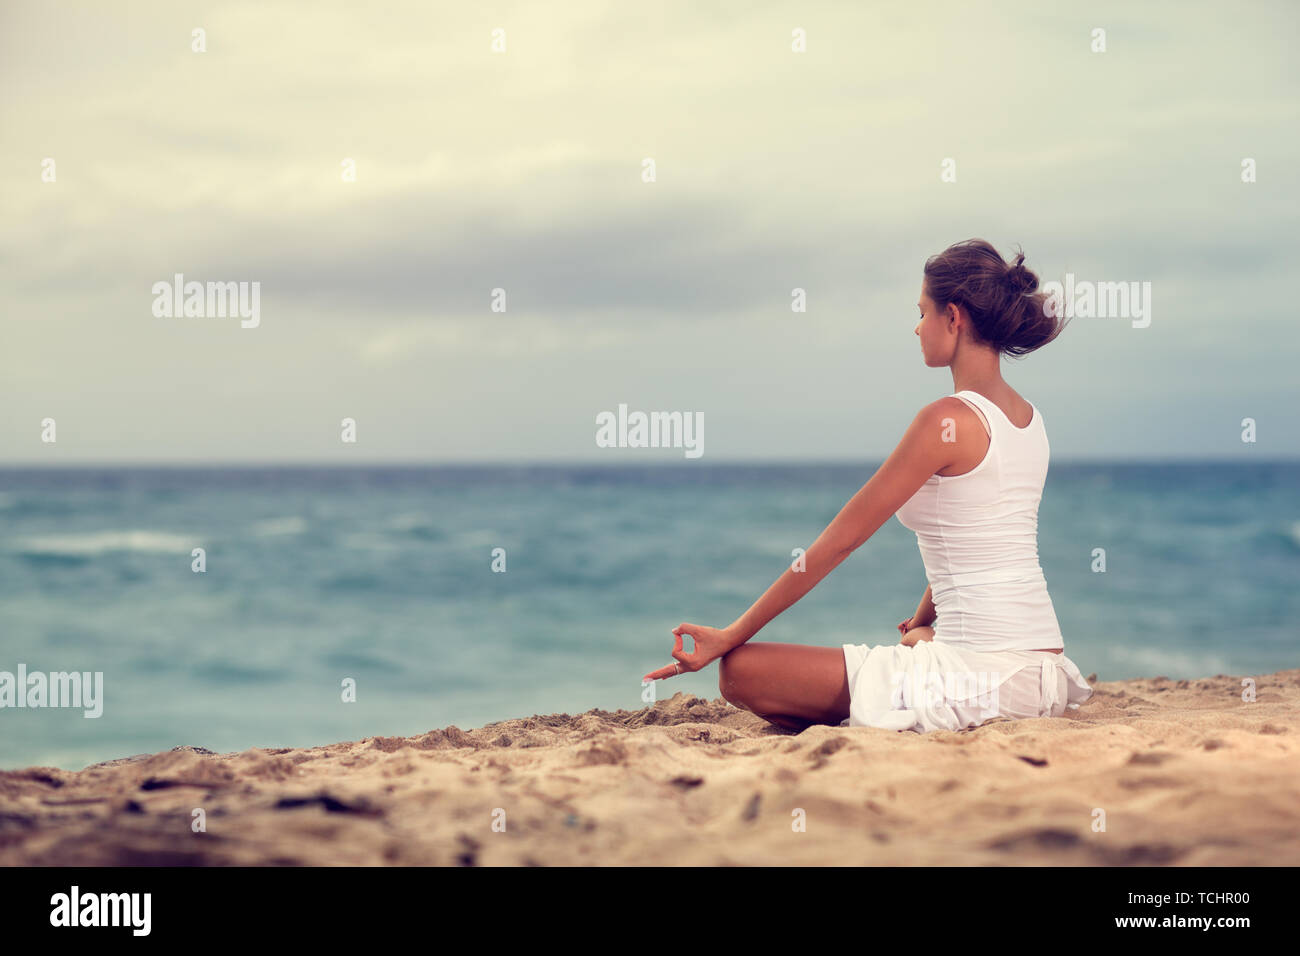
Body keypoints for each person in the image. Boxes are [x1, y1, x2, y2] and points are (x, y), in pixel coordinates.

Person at [643, 239, 1093, 732]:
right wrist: (923, 618)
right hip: (1046, 674)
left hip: (980, 676)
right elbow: (982, 536)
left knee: (741, 672)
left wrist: (731, 635)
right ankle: (922, 660)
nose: (917, 327)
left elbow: (842, 540)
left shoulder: (945, 419)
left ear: (955, 317)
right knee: (897, 657)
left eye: (922, 312)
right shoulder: (1029, 420)